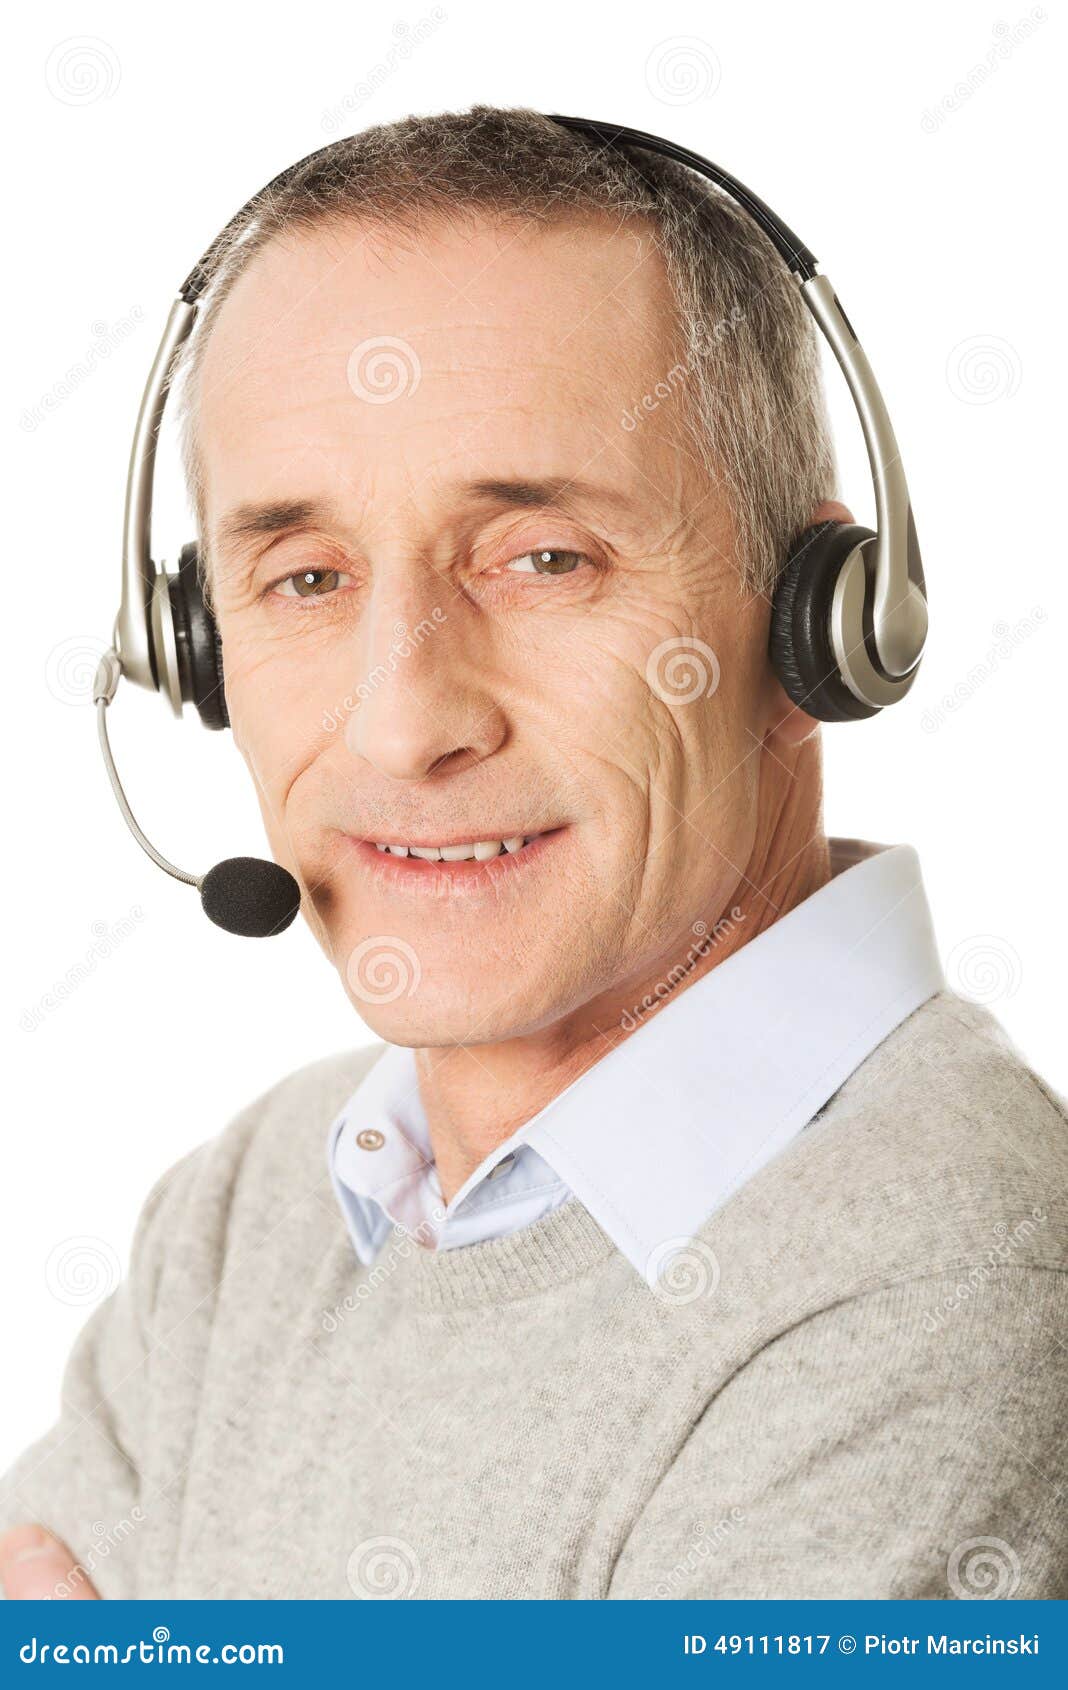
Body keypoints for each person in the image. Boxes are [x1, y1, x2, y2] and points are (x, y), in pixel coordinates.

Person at [2, 106, 1065, 1601]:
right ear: (194, 647)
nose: (402, 724)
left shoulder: (948, 1279)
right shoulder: (250, 1214)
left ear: (822, 620)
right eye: (305, 578)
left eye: (545, 558)